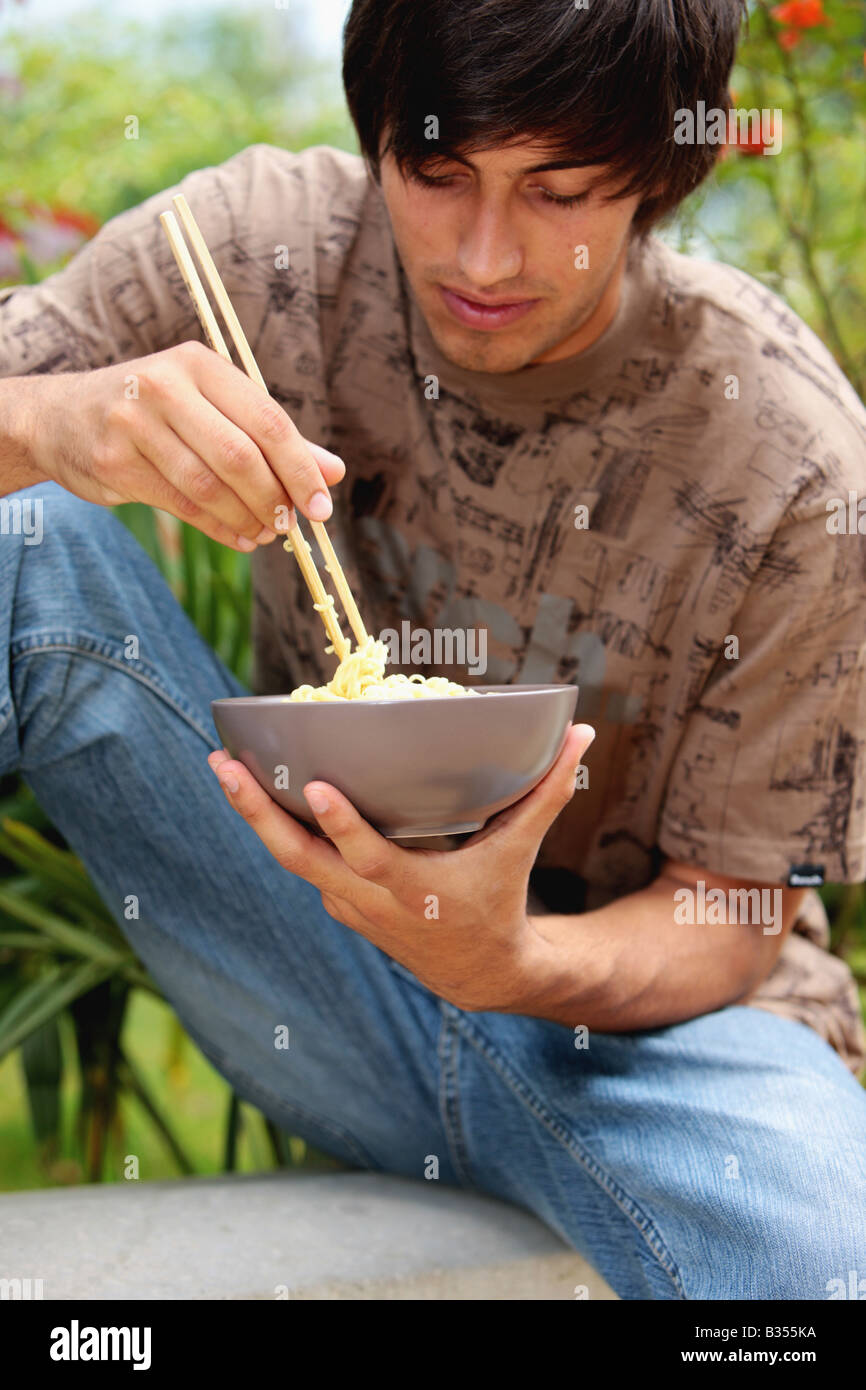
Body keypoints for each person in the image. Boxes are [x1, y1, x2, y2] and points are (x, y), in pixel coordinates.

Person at [1, 0, 865, 1299]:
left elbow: (733, 915)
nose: (481, 252)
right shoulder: (254, 253)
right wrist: (50, 424)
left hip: (661, 1042)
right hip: (308, 951)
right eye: (435, 169)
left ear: (657, 171)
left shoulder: (793, 463)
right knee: (22, 542)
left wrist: (507, 961)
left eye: (557, 189)